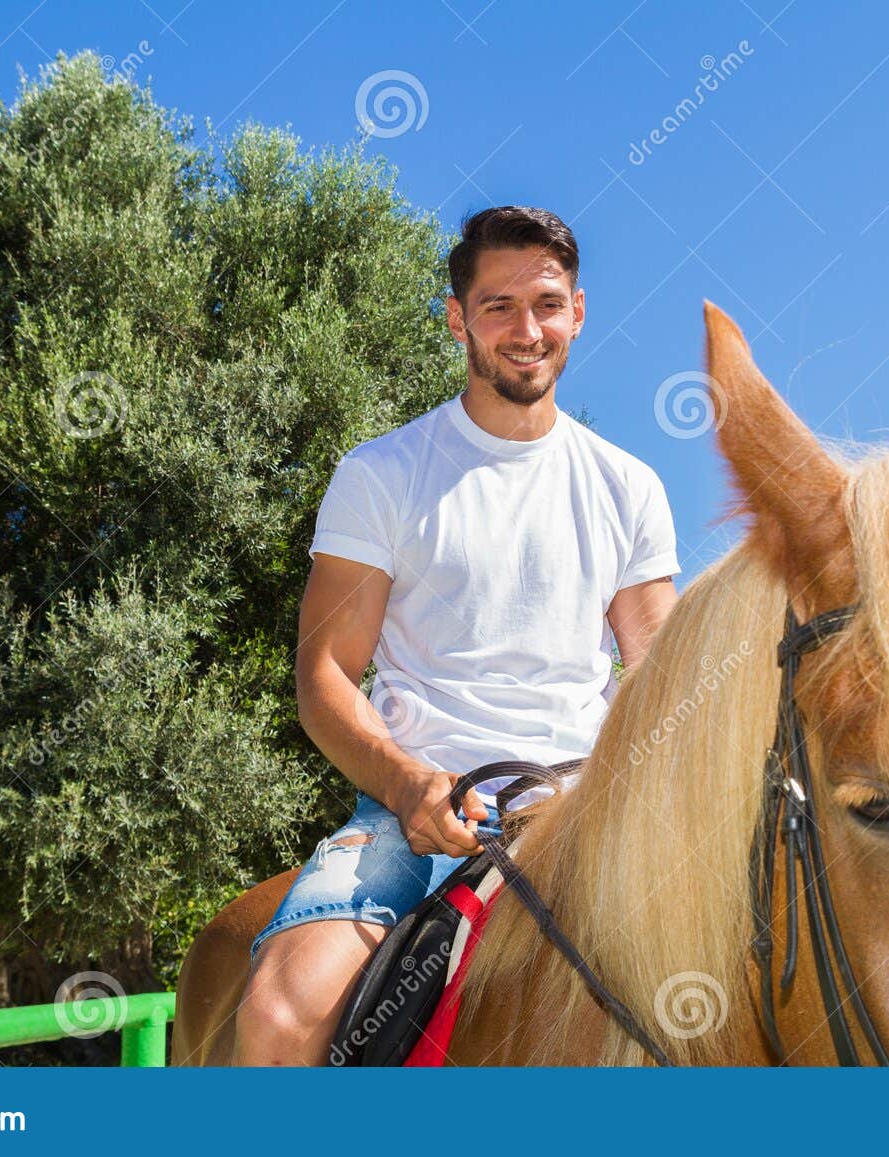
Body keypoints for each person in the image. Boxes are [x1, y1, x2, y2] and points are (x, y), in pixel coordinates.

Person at [231, 206, 681, 1065]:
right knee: (280, 1017)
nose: (526, 329)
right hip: (411, 818)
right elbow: (324, 674)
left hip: (585, 819)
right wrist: (408, 789)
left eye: (546, 304)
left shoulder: (629, 486)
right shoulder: (382, 473)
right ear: (456, 316)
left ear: (578, 312)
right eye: (498, 305)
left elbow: (659, 671)